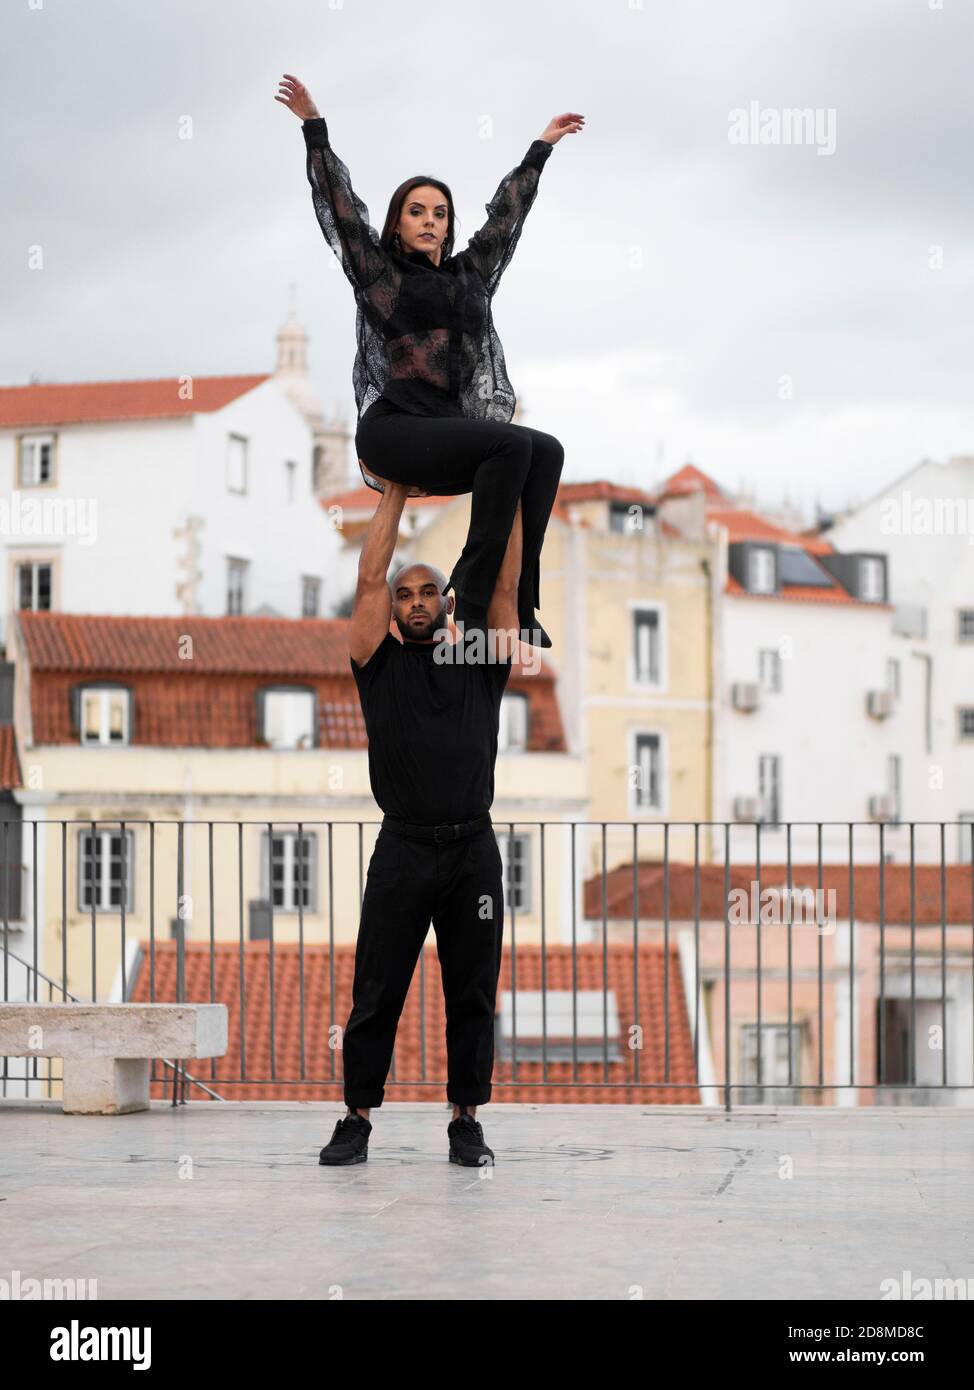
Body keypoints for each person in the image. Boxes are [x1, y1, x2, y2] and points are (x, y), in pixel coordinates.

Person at [276, 73, 584, 649]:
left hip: (444, 436)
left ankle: (517, 600)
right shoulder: (382, 278)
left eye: (440, 213)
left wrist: (541, 148)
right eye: (416, 211)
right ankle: (469, 596)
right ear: (398, 222)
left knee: (547, 450)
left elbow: (506, 219)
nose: (430, 221)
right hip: (395, 432)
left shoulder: (471, 276)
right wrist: (314, 129)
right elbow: (341, 213)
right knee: (512, 441)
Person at [317, 478, 527, 1168]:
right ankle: (356, 1120)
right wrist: (397, 489)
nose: (412, 601)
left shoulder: (480, 661)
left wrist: (516, 496)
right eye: (404, 595)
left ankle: (465, 1120)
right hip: (402, 847)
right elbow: (368, 572)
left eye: (425, 592)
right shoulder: (374, 665)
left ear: (445, 603)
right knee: (377, 989)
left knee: (472, 991)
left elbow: (505, 586)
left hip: (472, 851)